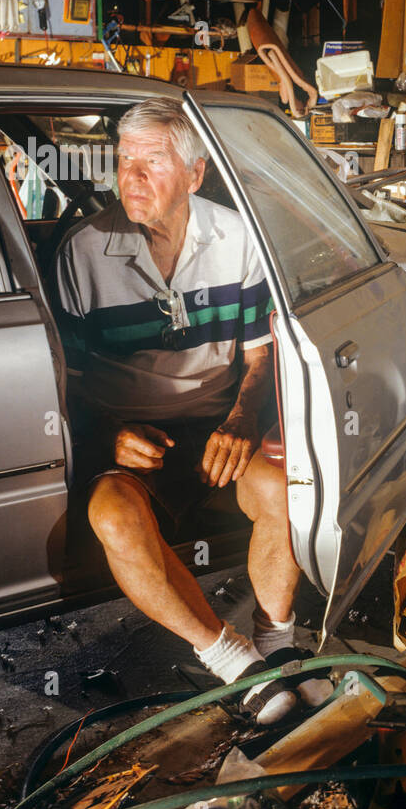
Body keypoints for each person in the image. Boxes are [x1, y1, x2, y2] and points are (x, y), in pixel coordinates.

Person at [56, 97, 300, 724]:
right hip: (130, 437)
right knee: (114, 516)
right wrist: (109, 435)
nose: (131, 178)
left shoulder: (239, 237)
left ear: (194, 174)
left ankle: (279, 646)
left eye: (152, 163)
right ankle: (229, 658)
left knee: (282, 492)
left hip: (218, 426)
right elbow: (68, 385)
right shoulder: (82, 252)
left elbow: (259, 359)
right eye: (123, 161)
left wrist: (243, 422)